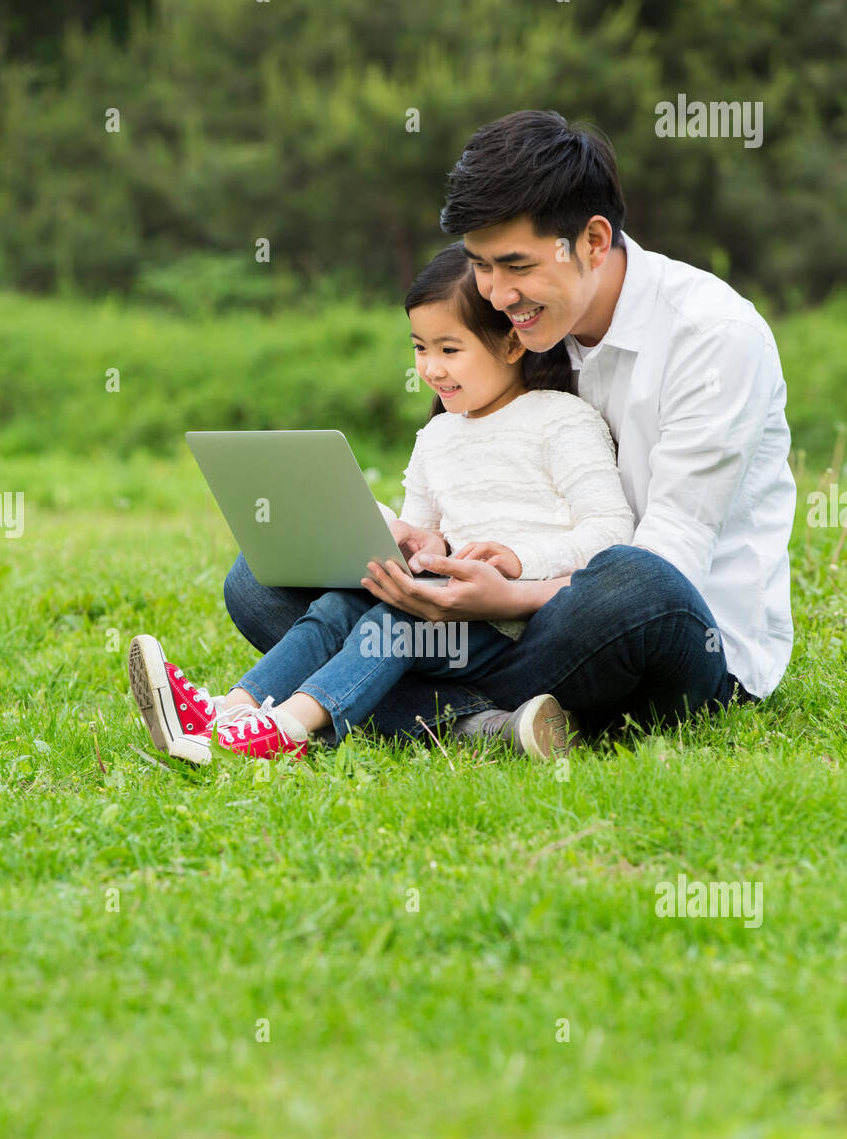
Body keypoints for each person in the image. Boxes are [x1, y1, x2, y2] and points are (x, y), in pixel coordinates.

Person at [224, 110, 796, 746]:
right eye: (480, 266)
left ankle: (429, 710)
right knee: (261, 582)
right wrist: (420, 546)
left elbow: (673, 562)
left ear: (594, 241)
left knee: (631, 580)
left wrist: (508, 597)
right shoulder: (524, 330)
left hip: (657, 635)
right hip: (498, 634)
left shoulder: (713, 338)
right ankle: (491, 725)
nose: (496, 295)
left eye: (515, 266)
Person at [128, 242, 633, 764]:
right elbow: (425, 535)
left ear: (511, 344)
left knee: (391, 625)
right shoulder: (437, 436)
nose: (432, 368)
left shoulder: (563, 420)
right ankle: (228, 714)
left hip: (517, 624)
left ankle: (285, 732)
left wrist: (519, 562)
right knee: (340, 607)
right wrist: (413, 540)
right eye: (420, 348)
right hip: (445, 608)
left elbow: (613, 532)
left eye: (450, 349)